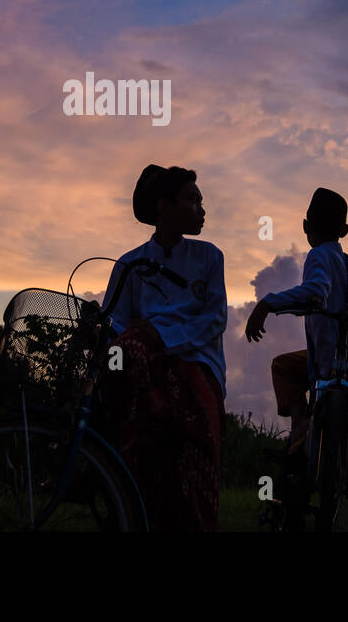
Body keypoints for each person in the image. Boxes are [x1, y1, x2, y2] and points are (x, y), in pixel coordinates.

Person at [244, 187, 348, 532]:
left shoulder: (320, 256)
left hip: (328, 365)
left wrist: (267, 304)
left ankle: (300, 427)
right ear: (345, 232)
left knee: (283, 367)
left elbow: (314, 293)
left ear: (305, 224)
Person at [98, 164, 228, 531]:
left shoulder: (209, 257)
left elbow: (214, 320)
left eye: (201, 201)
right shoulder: (130, 263)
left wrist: (160, 338)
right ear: (164, 207)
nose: (202, 209)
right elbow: (115, 322)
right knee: (119, 358)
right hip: (142, 363)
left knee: (192, 444)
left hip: (196, 361)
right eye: (192, 200)